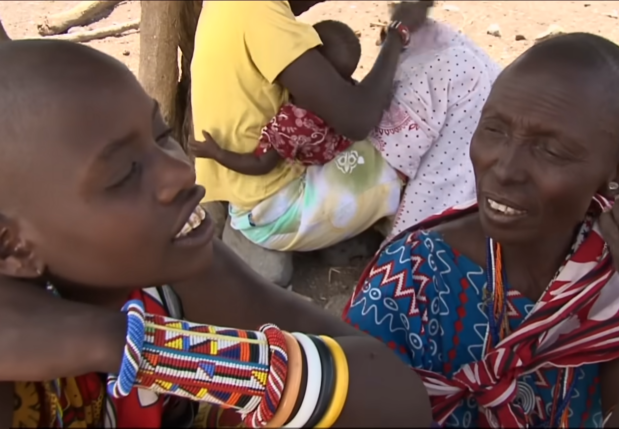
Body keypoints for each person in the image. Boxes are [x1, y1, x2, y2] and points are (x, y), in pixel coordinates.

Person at [0, 39, 432, 428]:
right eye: (124, 173)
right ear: (13, 247)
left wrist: (132, 346)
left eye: (161, 135)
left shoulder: (170, 277)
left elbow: (395, 397)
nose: (181, 171)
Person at [344, 33, 619, 428]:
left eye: (551, 150)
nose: (504, 169)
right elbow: (353, 398)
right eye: (495, 130)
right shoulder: (413, 274)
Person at [191, 0, 432, 253]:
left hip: (248, 189)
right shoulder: (259, 15)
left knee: (386, 127)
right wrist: (396, 35)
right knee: (407, 151)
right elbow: (356, 120)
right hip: (275, 207)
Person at [369, 19, 501, 238]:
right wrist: (392, 46)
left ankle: (461, 201)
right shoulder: (291, 37)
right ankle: (415, 237)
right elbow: (353, 122)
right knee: (461, 70)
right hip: (343, 171)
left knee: (430, 33)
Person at [190, 20, 361, 172]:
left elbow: (260, 163)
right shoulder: (349, 92)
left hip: (329, 173)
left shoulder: (292, 124)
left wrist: (218, 153)